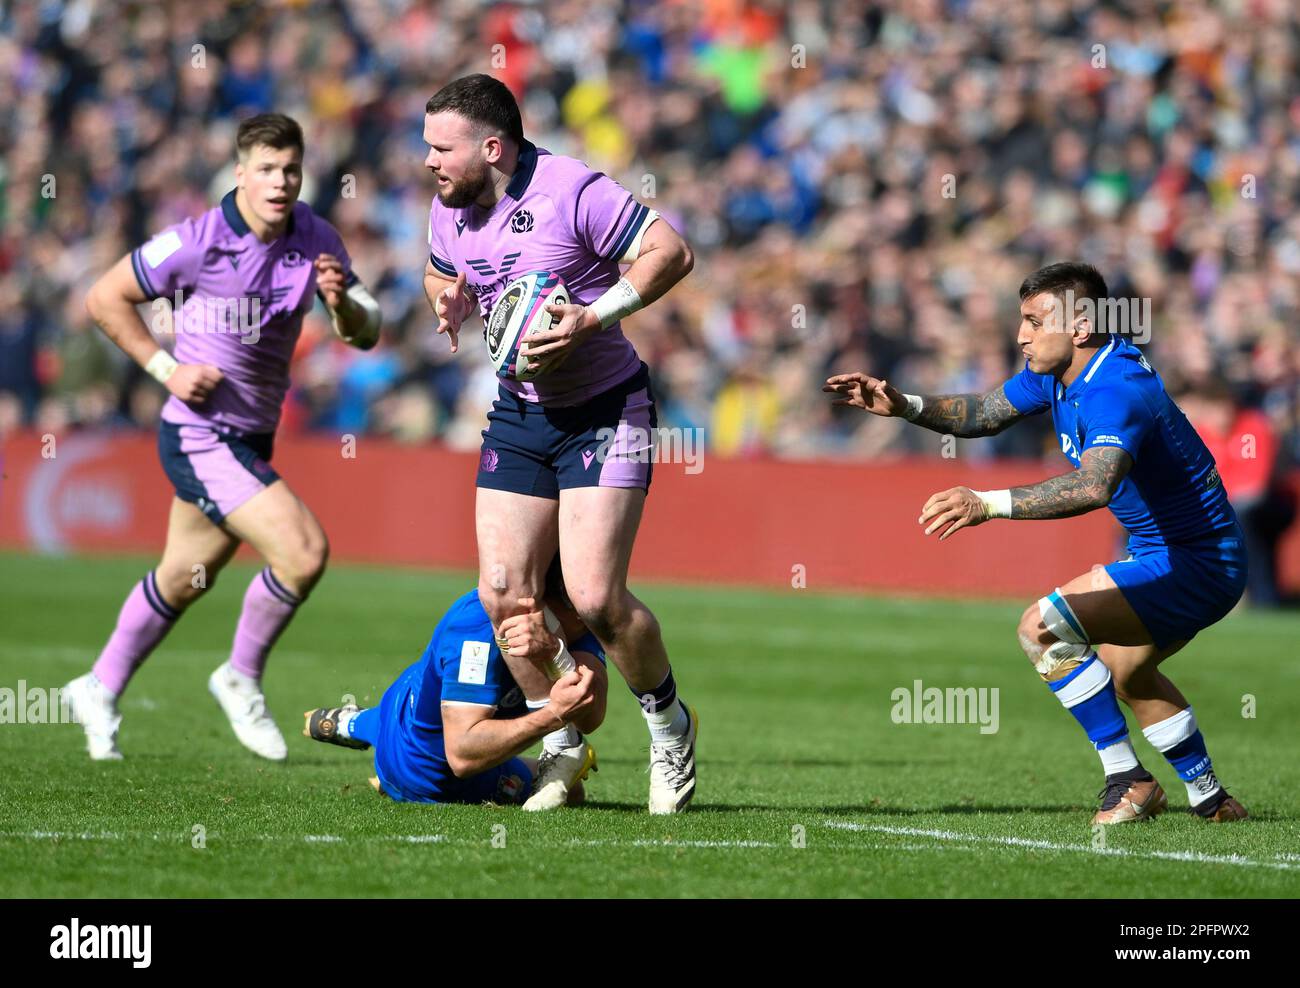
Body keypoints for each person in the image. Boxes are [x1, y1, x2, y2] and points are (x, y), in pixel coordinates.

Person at [825, 261, 1249, 825]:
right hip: (1171, 555)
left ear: (1079, 328)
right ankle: (1212, 799)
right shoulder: (1060, 374)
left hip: (1195, 561)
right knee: (1127, 672)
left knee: (1042, 628)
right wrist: (904, 406)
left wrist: (987, 503)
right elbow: (984, 412)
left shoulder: (1116, 388)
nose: (1020, 334)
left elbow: (1096, 484)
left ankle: (1128, 779)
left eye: (1033, 320)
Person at [64, 113, 382, 762]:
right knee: (302, 552)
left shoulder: (315, 237)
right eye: (266, 168)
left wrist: (343, 304)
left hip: (252, 437)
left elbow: (365, 330)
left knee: (184, 576)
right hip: (201, 435)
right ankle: (239, 675)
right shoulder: (196, 241)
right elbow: (104, 298)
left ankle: (97, 686)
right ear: (240, 173)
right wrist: (166, 369)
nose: (280, 181)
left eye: (290, 168)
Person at [420, 74, 698, 813]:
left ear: (492, 145)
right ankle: (564, 746)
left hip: (609, 410)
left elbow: (671, 253)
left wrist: (591, 318)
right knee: (506, 597)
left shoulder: (574, 190)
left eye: (440, 148)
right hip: (519, 412)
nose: (428, 162)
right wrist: (442, 297)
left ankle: (670, 727)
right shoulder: (449, 208)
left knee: (597, 598)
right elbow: (441, 269)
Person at [304, 579, 607, 808]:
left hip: (413, 697)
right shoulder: (475, 629)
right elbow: (462, 756)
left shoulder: (584, 617)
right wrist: (554, 715)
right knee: (573, 794)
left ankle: (352, 723)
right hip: (425, 771)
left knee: (406, 713)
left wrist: (556, 654)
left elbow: (590, 717)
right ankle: (374, 750)